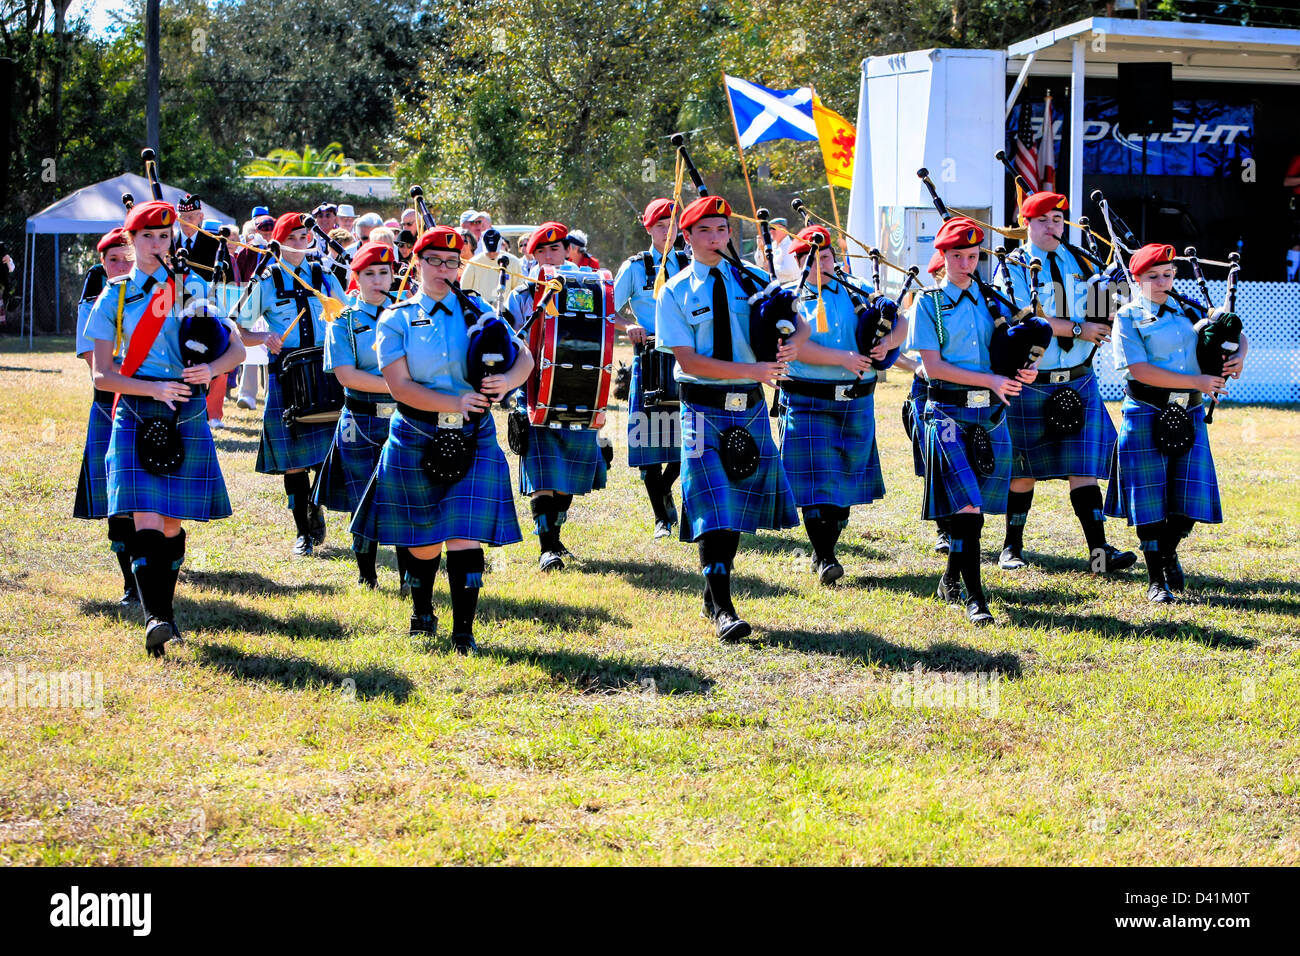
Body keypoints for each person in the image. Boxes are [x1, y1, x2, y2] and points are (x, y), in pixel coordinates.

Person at [351, 226, 533, 652]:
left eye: (453, 262)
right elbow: (399, 387)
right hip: (417, 431)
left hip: (475, 434)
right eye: (435, 260)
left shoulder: (479, 310)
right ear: (416, 263)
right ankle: (421, 610)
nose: (444, 269)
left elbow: (523, 355)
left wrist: (506, 380)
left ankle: (464, 630)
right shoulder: (396, 318)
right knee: (424, 539)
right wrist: (455, 400)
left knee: (465, 534)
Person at [84, 199, 244, 656]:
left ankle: (164, 611)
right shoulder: (113, 296)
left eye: (164, 236)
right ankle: (156, 617)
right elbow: (101, 374)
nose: (157, 244)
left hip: (186, 411)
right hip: (135, 409)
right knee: (145, 517)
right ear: (130, 242)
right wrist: (152, 390)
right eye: (147, 237)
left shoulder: (192, 288)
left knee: (170, 524)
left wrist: (209, 369)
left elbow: (234, 351)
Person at [655, 195, 802, 641]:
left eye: (721, 230)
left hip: (748, 406)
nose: (715, 238)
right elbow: (690, 360)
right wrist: (754, 370)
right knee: (714, 504)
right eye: (704, 231)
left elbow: (797, 322)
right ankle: (723, 606)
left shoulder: (755, 279)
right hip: (701, 405)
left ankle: (712, 590)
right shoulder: (675, 290)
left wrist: (793, 343)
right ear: (687, 237)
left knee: (733, 507)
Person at [905, 216, 1037, 626]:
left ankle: (950, 579)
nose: (966, 263)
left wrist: (1025, 369)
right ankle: (976, 600)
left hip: (990, 415)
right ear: (942, 257)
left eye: (973, 255)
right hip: (945, 413)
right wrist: (992, 379)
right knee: (968, 510)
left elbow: (1019, 346)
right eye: (958, 255)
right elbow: (934, 367)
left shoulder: (994, 301)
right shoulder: (929, 304)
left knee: (973, 509)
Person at [1001, 191, 1136, 574]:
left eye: (1058, 220)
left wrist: (1113, 297)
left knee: (1084, 470)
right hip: (1032, 380)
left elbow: (1104, 305)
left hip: (1077, 379)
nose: (1052, 227)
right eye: (1043, 220)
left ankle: (1099, 554)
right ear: (1026, 223)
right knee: (1022, 470)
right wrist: (1080, 328)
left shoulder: (1079, 260)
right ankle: (1011, 547)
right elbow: (1022, 317)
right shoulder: (1011, 265)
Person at [1104, 243, 1247, 602]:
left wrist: (1238, 358)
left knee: (1188, 504)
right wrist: (1198, 382)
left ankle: (1167, 551)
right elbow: (1140, 370)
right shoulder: (1127, 316)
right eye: (1153, 276)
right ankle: (1156, 581)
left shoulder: (1188, 307)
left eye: (1168, 275)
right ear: (1136, 279)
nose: (1163, 282)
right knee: (1150, 500)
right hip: (1147, 409)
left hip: (1190, 412)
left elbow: (1235, 332)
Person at [778, 224, 906, 584]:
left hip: (855, 400)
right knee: (818, 482)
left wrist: (887, 343)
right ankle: (824, 555)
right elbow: (796, 347)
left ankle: (826, 548)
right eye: (813, 259)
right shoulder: (793, 299)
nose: (822, 264)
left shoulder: (861, 291)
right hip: (808, 398)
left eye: (827, 256)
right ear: (800, 262)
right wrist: (844, 358)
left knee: (844, 484)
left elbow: (902, 322)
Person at [237, 211, 348, 556]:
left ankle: (316, 503)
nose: (300, 244)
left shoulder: (323, 273)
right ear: (279, 242)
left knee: (327, 454)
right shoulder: (267, 280)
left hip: (326, 371)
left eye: (304, 237)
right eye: (293, 238)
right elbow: (239, 327)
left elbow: (345, 314)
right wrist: (264, 335)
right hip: (287, 373)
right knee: (294, 459)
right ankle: (302, 530)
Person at [503, 222, 608, 571]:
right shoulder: (520, 297)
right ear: (531, 257)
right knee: (543, 472)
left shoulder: (588, 289)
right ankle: (546, 546)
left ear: (567, 252)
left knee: (568, 480)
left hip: (580, 389)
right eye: (542, 252)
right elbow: (507, 341)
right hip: (534, 389)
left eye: (556, 250)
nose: (550, 256)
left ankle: (556, 529)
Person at [314, 241, 410, 590]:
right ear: (355, 277)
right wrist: (400, 384)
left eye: (384, 272)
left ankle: (408, 577)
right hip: (360, 421)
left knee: (404, 495)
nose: (377, 280)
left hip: (402, 418)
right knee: (363, 499)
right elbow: (347, 375)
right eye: (368, 273)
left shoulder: (406, 315)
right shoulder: (342, 318)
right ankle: (366, 575)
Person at [612, 198, 691, 538]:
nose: (668, 232)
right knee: (647, 451)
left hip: (687, 361)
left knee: (687, 445)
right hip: (649, 363)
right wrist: (628, 326)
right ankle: (661, 518)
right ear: (648, 228)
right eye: (661, 226)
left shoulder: (692, 264)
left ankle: (667, 489)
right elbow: (607, 310)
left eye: (674, 225)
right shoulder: (634, 267)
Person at [73, 227, 137, 607]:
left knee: (148, 500)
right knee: (117, 500)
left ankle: (151, 572)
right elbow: (90, 358)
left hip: (154, 404)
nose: (121, 265)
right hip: (108, 404)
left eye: (127, 258)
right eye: (113, 259)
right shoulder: (95, 301)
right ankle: (130, 582)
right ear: (102, 263)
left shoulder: (157, 294)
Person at [461, 227, 521, 300]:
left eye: (495, 251)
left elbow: (519, 289)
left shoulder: (513, 261)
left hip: (504, 307)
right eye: (489, 252)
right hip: (479, 308)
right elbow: (464, 289)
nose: (492, 254)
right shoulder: (473, 263)